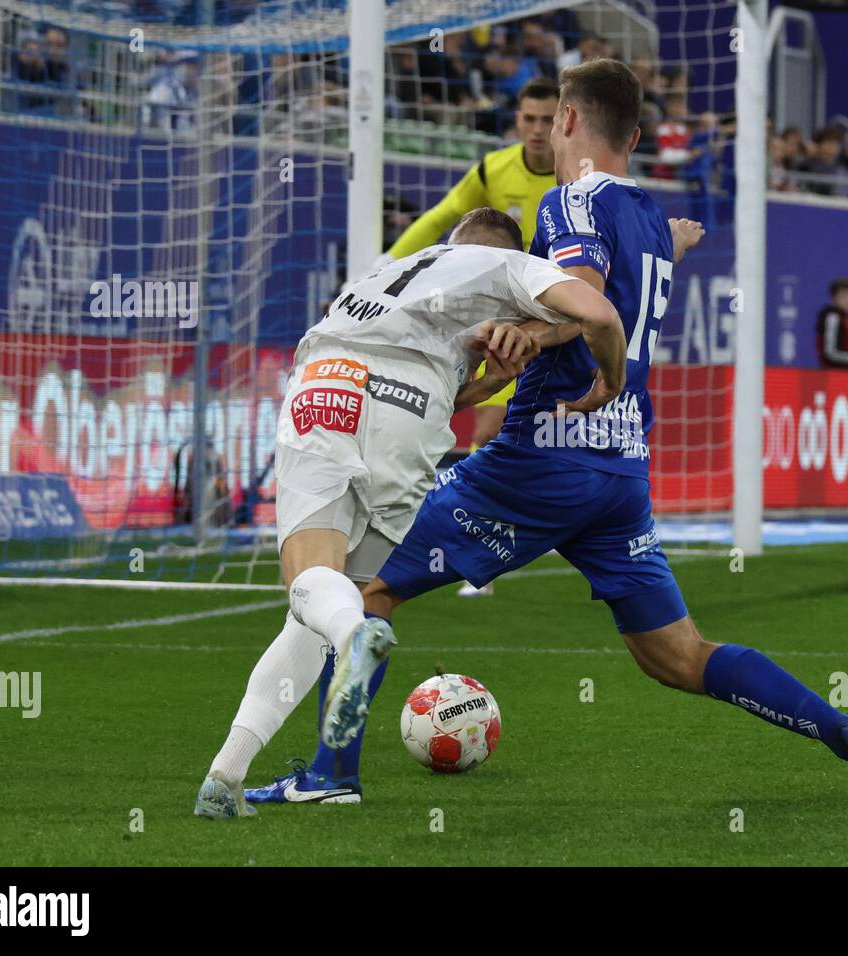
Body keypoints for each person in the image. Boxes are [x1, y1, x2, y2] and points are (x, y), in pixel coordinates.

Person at [304, 59, 848, 808]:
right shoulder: (645, 213)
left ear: (567, 121)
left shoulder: (570, 201)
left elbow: (591, 302)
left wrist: (529, 339)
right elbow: (620, 283)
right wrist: (666, 252)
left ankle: (328, 777)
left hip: (542, 459)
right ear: (637, 135)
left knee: (360, 584)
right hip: (622, 472)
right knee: (678, 656)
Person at [193, 208, 628, 817]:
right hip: (412, 411)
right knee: (339, 597)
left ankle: (225, 777)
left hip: (327, 381)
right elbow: (601, 313)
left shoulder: (393, 271)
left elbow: (420, 371)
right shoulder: (512, 265)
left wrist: (480, 377)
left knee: (311, 590)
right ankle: (335, 656)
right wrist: (610, 379)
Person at [384, 76, 560, 598]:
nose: (535, 130)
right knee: (496, 415)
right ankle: (478, 545)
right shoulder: (494, 169)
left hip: (558, 313)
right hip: (509, 316)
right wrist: (389, 262)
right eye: (527, 119)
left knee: (542, 426)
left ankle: (536, 525)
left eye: (546, 120)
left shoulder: (577, 181)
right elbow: (441, 216)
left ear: (563, 122)